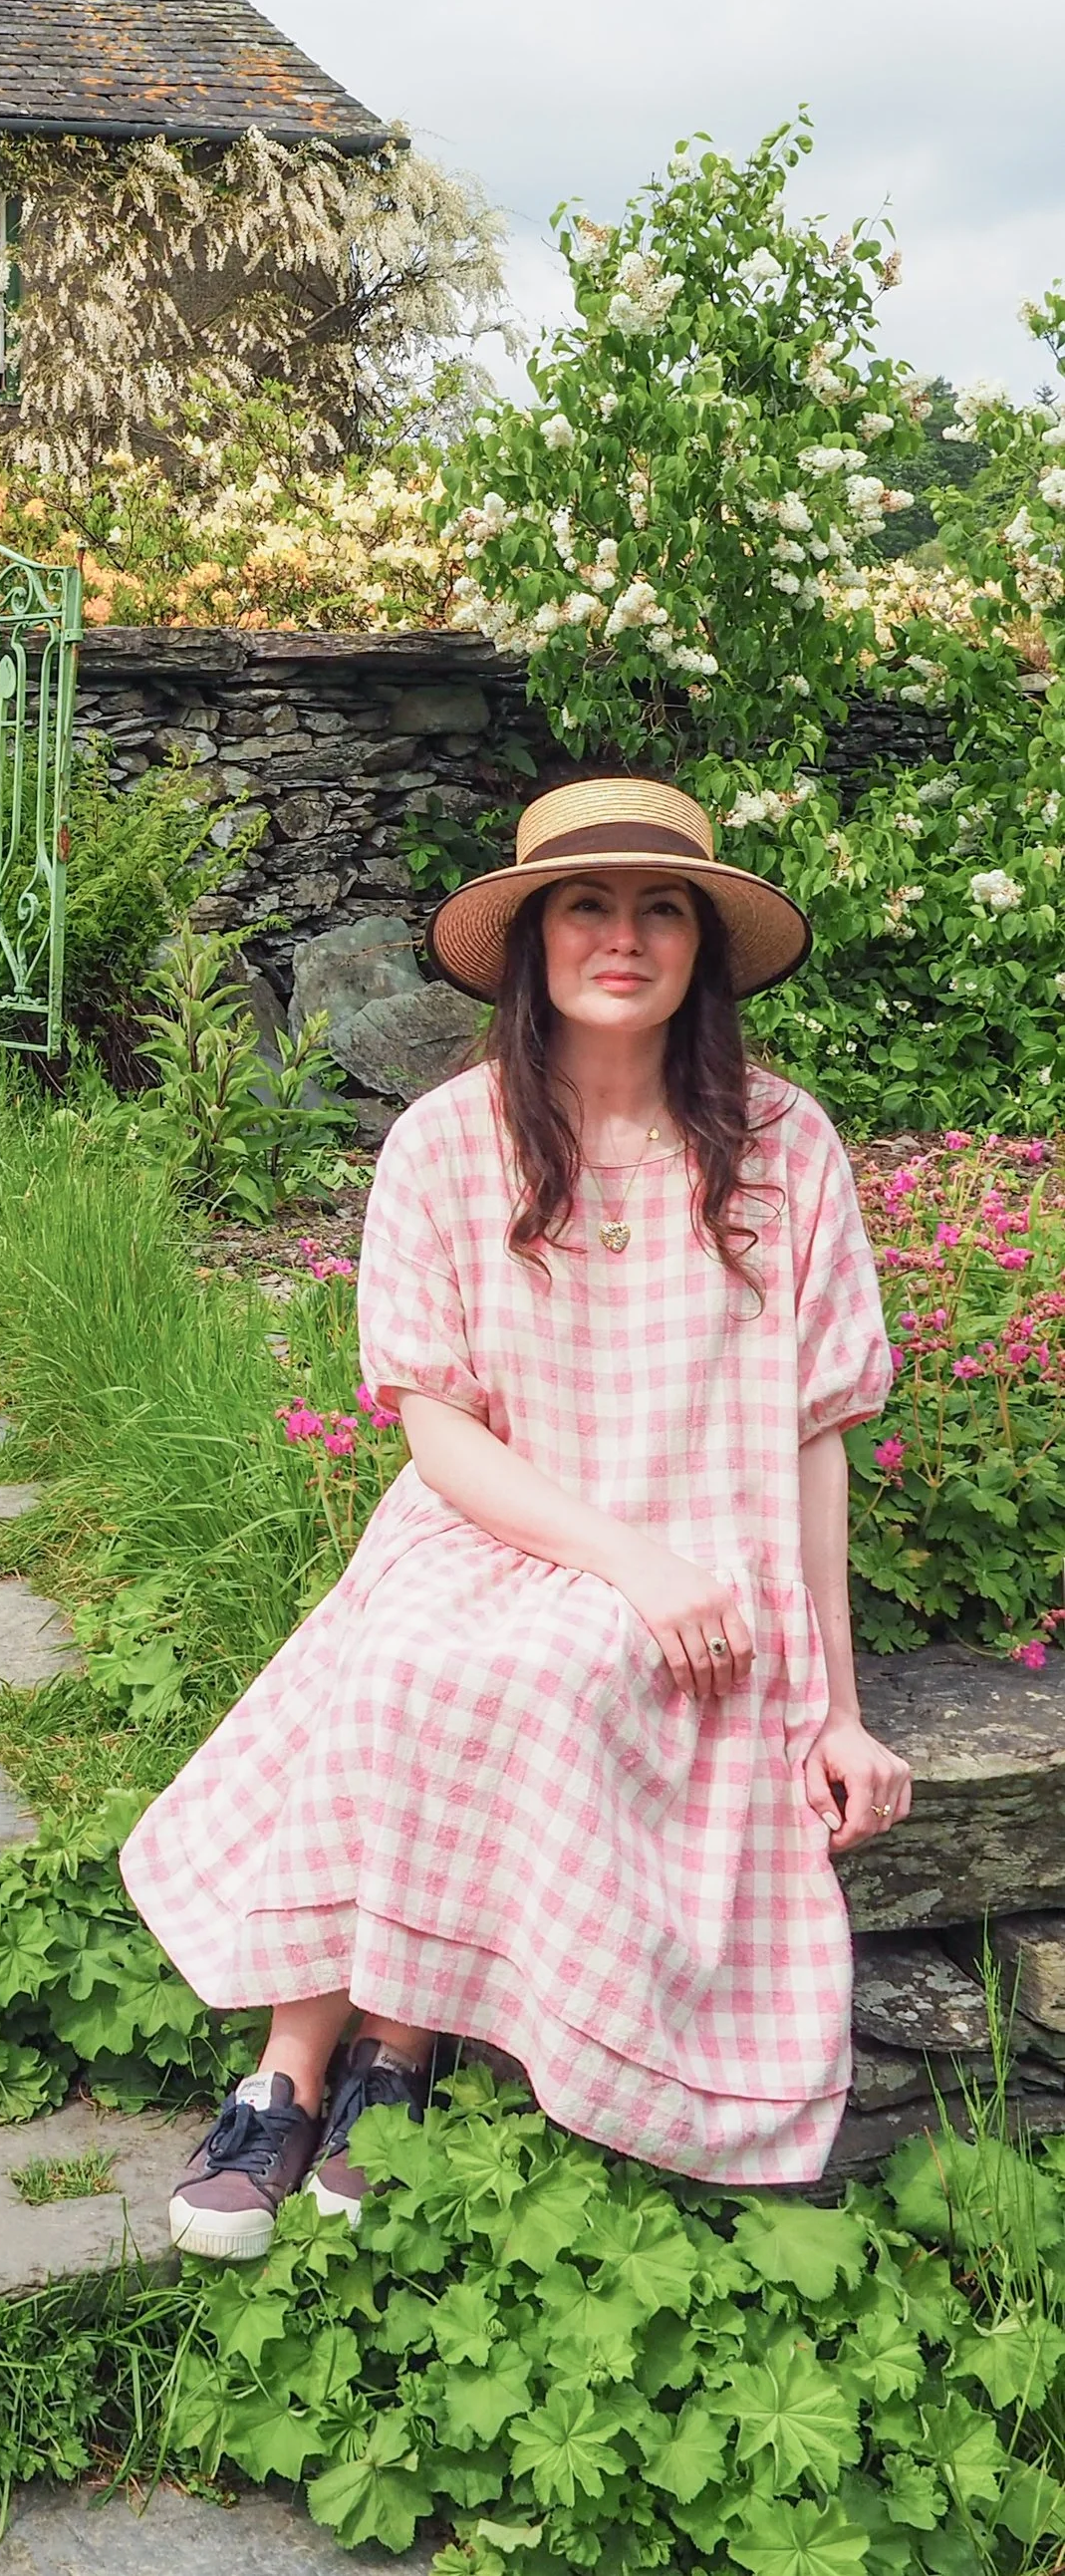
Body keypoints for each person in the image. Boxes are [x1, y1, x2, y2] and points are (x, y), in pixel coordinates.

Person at [122, 774, 914, 2259]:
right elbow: (438, 1431)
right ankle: (290, 2070)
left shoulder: (786, 1146)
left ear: (702, 947)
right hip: (493, 1521)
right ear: (536, 940)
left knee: (547, 1672)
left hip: (706, 1557)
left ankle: (397, 2048)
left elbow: (818, 1439)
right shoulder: (447, 1140)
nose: (624, 937)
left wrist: (839, 1711)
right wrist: (622, 1558)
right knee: (402, 1660)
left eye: (662, 908)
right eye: (587, 906)